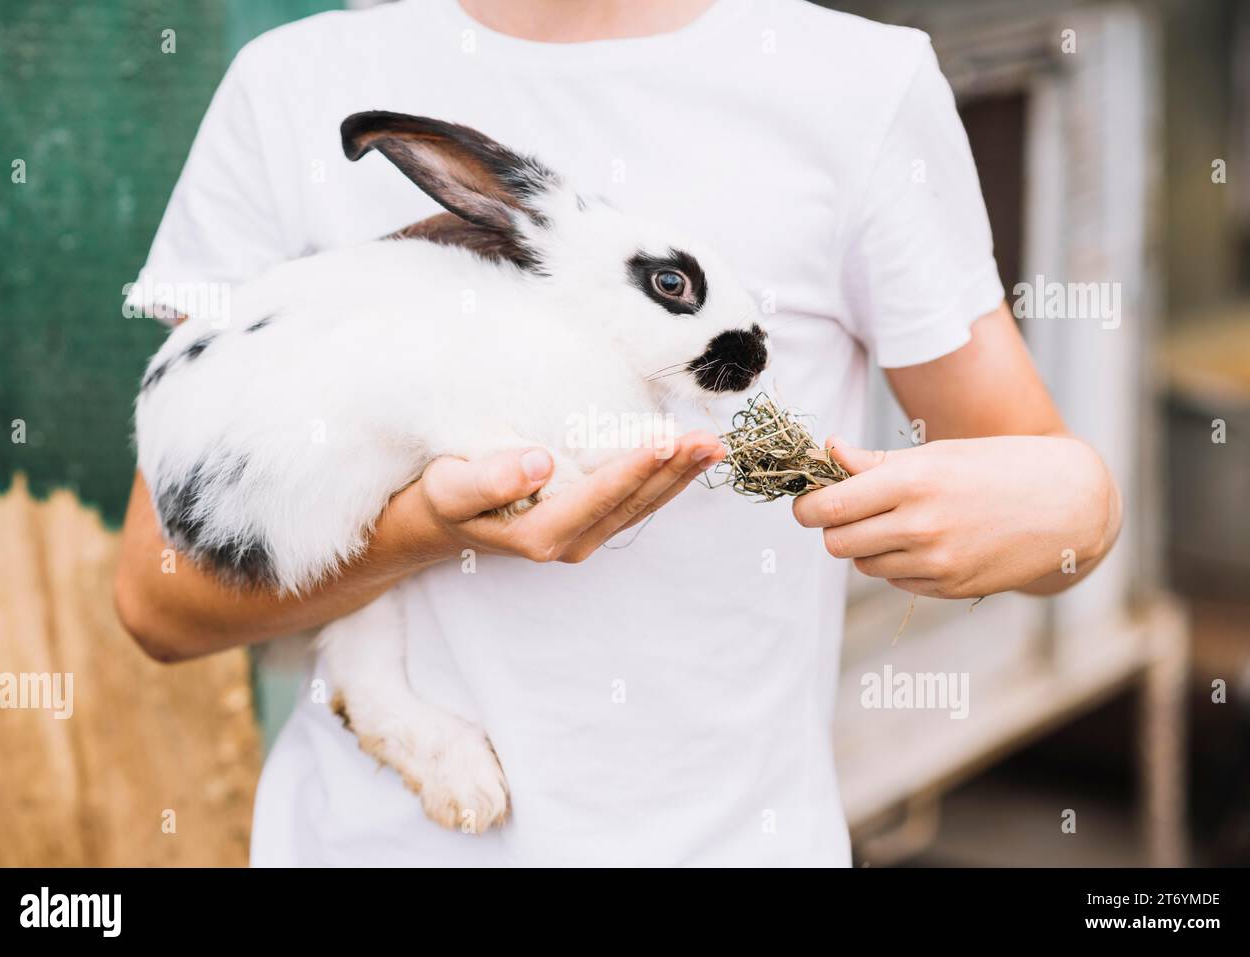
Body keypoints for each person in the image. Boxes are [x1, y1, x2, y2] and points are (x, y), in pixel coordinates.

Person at [115, 0, 1121, 866]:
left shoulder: (856, 85)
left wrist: (1078, 503)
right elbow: (159, 603)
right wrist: (428, 529)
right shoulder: (294, 83)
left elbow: (1043, 500)